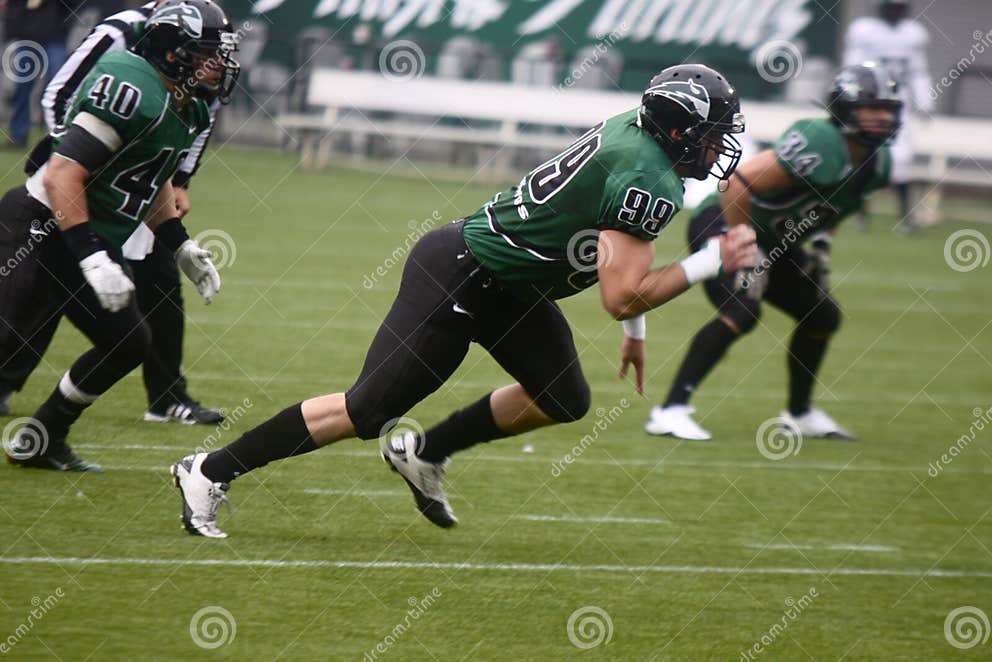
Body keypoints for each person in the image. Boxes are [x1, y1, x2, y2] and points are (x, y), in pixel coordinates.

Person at [169, 64, 759, 538]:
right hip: (462, 274)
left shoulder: (637, 133)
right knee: (368, 409)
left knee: (564, 397)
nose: (720, 148)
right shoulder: (647, 176)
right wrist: (715, 258)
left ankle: (425, 452)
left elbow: (624, 260)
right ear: (678, 131)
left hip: (511, 283)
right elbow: (623, 294)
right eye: (712, 135)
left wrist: (636, 337)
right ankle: (210, 469)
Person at [2, 0, 239, 471]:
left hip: (83, 231)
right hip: (41, 223)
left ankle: (44, 437)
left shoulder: (185, 106)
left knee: (129, 341)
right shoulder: (132, 87)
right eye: (208, 52)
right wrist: (92, 256)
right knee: (8, 342)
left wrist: (181, 245)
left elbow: (151, 182)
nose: (220, 63)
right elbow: (62, 175)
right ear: (174, 53)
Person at [645, 63, 901, 441]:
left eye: (887, 109)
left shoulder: (878, 164)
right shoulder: (821, 142)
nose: (882, 117)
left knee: (822, 315)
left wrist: (822, 246)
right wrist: (742, 238)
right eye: (872, 108)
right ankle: (670, 410)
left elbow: (831, 209)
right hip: (725, 220)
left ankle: (799, 413)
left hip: (775, 240)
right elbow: (736, 184)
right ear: (845, 108)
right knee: (742, 308)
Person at [844, 0, 933, 232]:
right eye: (891, 7)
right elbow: (853, 66)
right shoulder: (865, 30)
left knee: (902, 159)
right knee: (865, 155)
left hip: (899, 102)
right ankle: (860, 214)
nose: (895, 12)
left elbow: (917, 72)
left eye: (899, 7)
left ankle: (906, 217)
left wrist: (925, 101)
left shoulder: (913, 34)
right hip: (869, 100)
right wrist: (851, 97)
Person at [3, 0, 77, 149]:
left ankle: (60, 136)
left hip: (55, 36)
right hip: (28, 37)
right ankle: (18, 137)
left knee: (60, 87)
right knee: (22, 90)